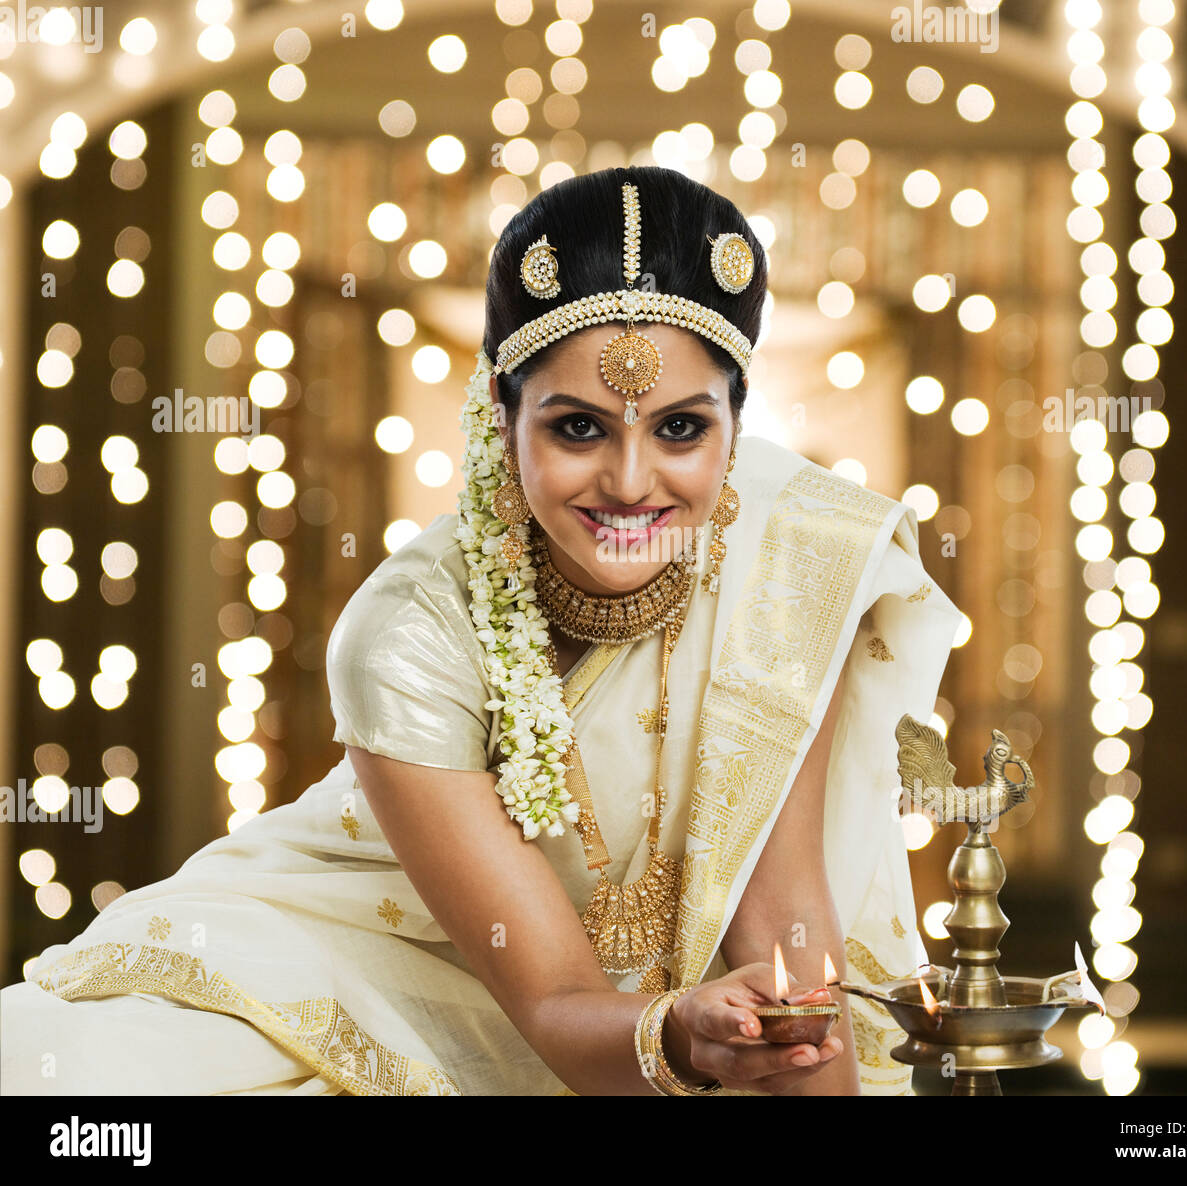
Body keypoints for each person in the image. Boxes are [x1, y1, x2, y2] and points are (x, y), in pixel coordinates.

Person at [0, 165, 962, 1096]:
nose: (631, 482)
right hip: (341, 969)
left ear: (735, 425)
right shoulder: (407, 632)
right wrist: (675, 1033)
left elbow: (786, 918)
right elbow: (552, 1002)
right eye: (577, 428)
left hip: (627, 1030)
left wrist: (773, 1043)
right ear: (502, 418)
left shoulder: (789, 558)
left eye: (679, 430)